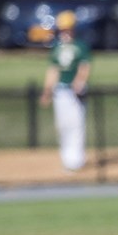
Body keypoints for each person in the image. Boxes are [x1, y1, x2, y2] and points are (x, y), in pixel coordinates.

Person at [39, 10, 92, 172]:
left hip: (74, 91)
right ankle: (66, 159)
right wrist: (47, 91)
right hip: (60, 90)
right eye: (62, 29)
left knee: (76, 124)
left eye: (67, 28)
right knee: (62, 125)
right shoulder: (57, 47)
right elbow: (53, 70)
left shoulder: (80, 46)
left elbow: (84, 67)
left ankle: (76, 160)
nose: (65, 32)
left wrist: (79, 82)